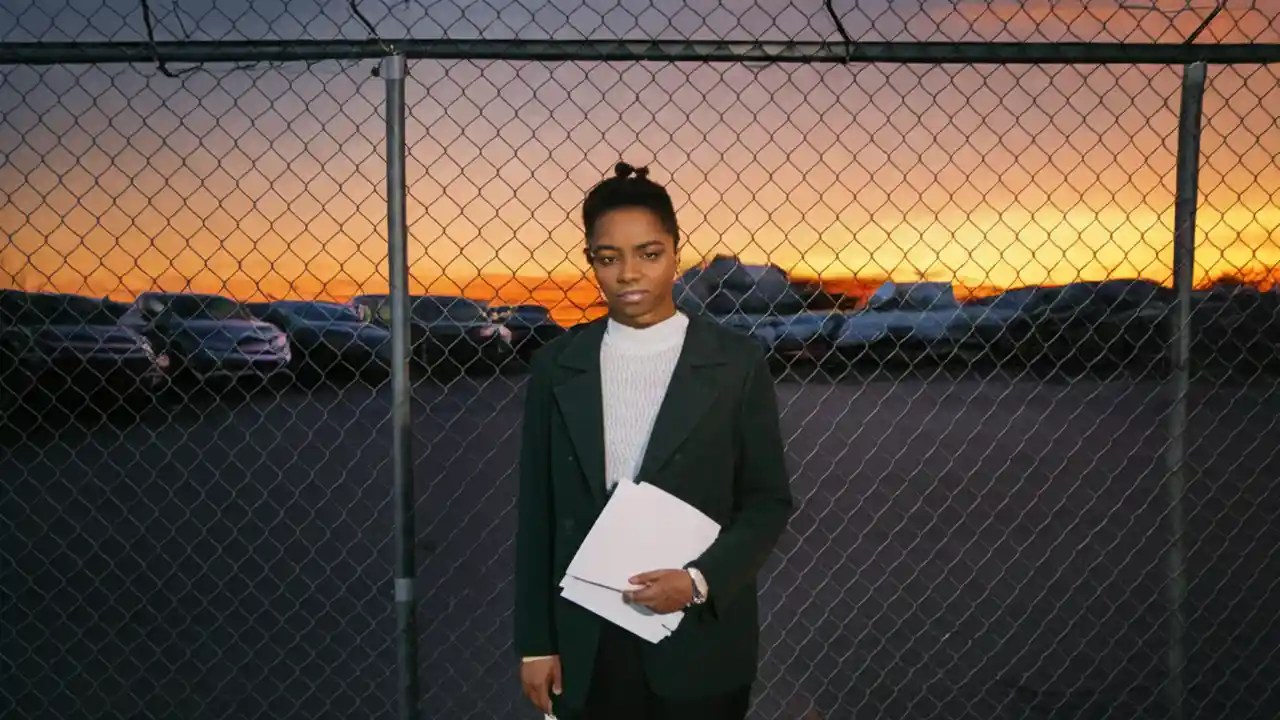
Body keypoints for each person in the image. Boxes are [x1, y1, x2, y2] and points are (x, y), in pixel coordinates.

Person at [514, 162, 794, 719]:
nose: (628, 274)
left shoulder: (735, 363)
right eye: (608, 257)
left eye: (648, 253)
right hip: (587, 637)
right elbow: (538, 512)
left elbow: (767, 501)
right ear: (591, 260)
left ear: (675, 252)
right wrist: (536, 642)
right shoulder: (557, 365)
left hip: (697, 639)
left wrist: (697, 583)